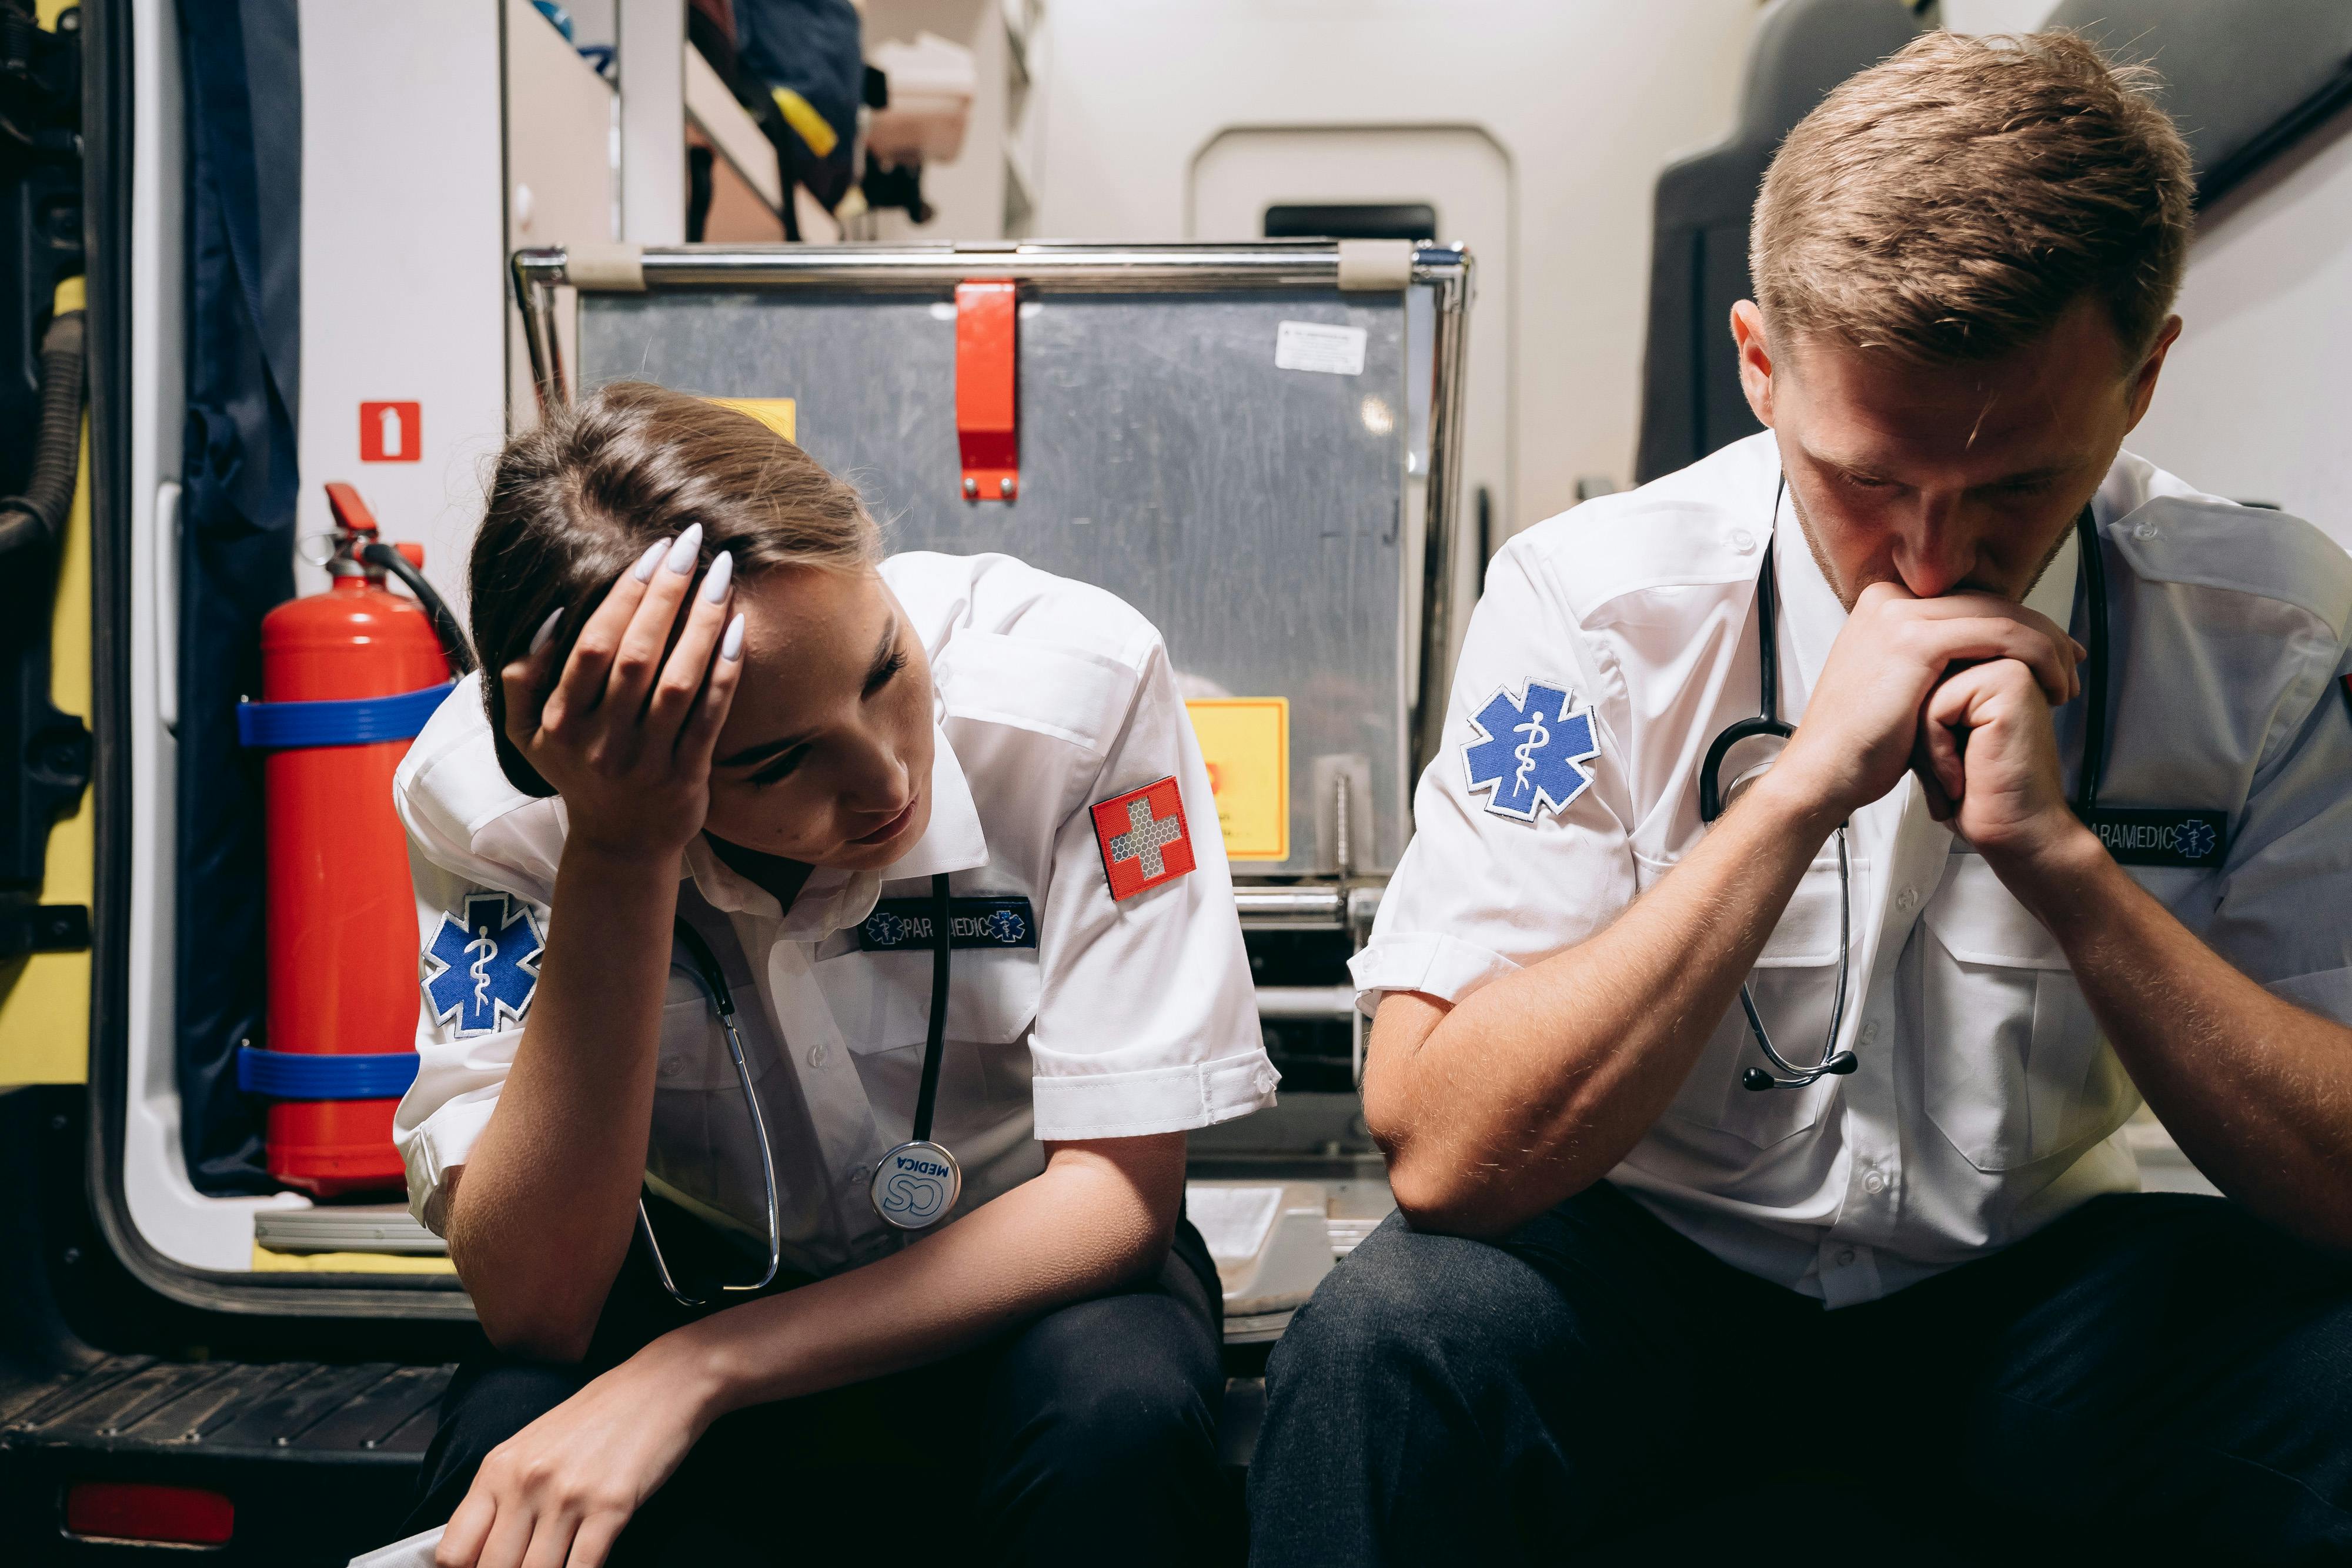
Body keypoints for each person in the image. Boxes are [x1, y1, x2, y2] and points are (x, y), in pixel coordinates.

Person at [1248, 31, 2352, 1564]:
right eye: (1864, 483)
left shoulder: (2273, 632)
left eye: (2017, 488)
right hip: (1664, 1285)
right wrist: (1786, 806)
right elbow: (1439, 1142)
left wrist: (2070, 874)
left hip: (2043, 1302)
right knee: (1388, 1351)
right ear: (1761, 365)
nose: (1929, 563)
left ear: (2143, 375)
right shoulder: (1587, 611)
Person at [386, 382, 1277, 1568]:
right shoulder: (491, 802)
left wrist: (699, 1372)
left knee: (1116, 1401)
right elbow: (540, 1303)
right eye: (772, 759)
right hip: (676, 1271)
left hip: (1027, 1273)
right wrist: (622, 849)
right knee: (517, 1445)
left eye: (881, 669)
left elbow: (1117, 1200)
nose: (883, 781)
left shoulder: (1080, 695)